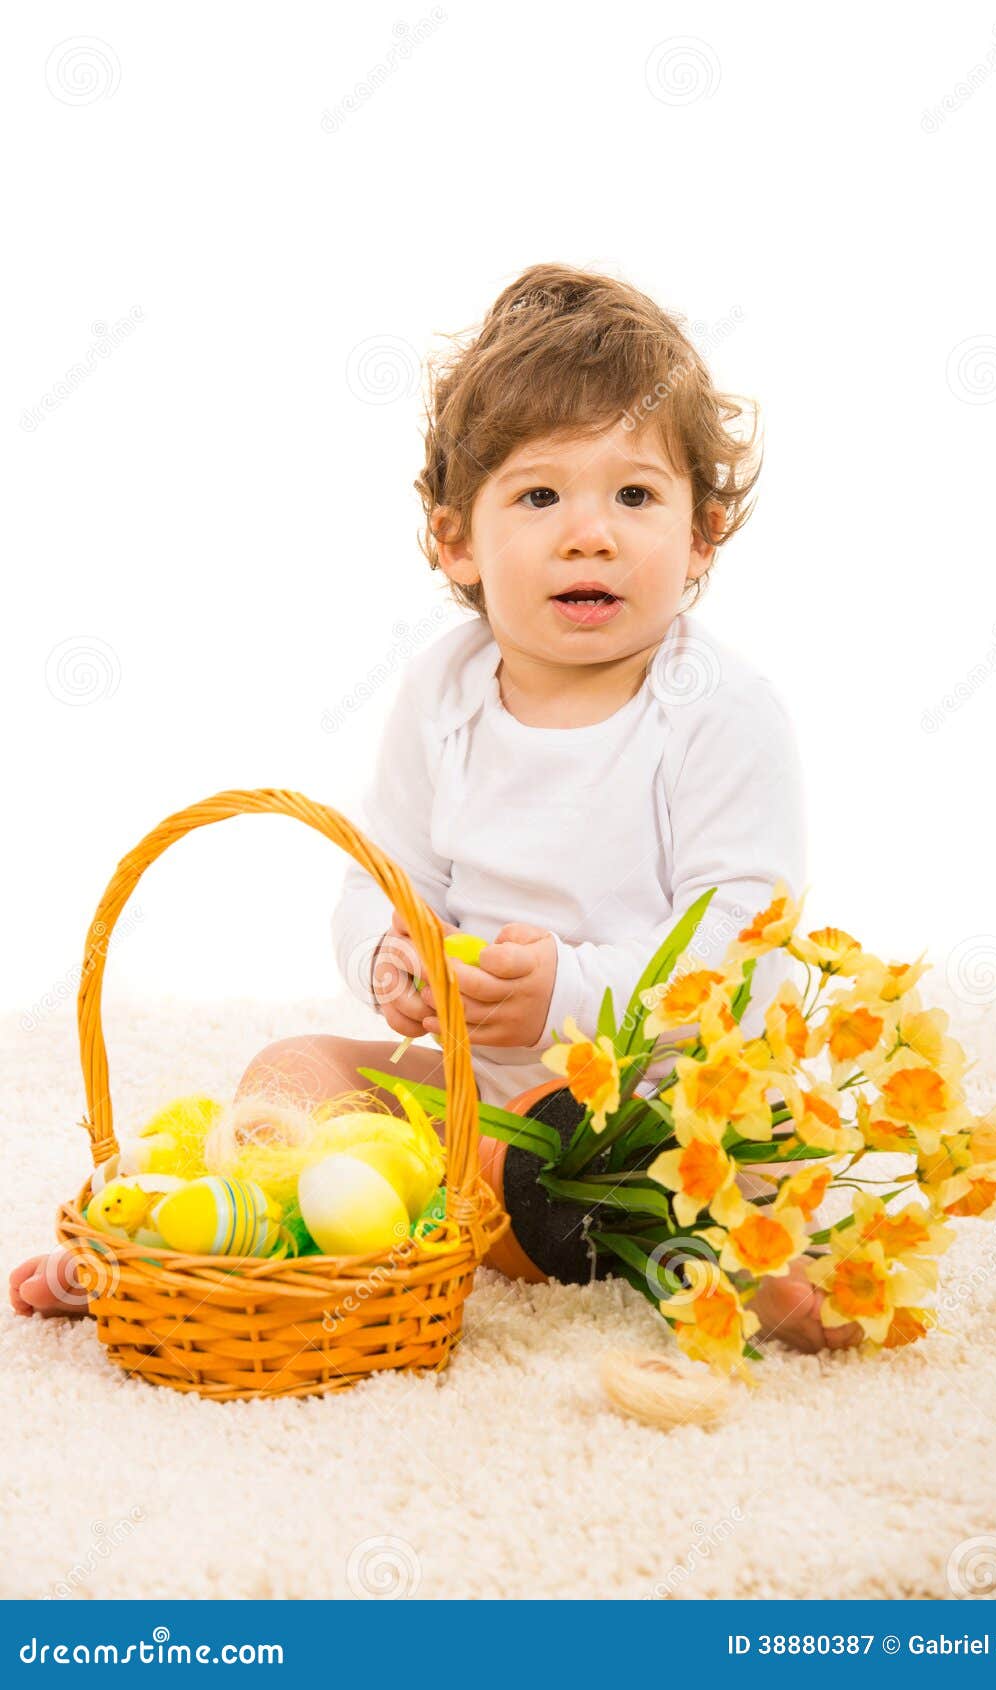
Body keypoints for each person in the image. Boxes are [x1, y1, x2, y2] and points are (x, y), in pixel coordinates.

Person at [10, 263, 859, 1354]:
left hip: (659, 1098)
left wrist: (567, 994)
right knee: (295, 1073)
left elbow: (747, 949)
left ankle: (628, 1230)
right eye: (540, 497)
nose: (590, 534)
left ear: (704, 533)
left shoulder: (716, 709)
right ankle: (206, 1233)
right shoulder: (442, 691)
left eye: (636, 497)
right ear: (456, 540)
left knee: (688, 1160)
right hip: (476, 1084)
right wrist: (391, 954)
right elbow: (385, 870)